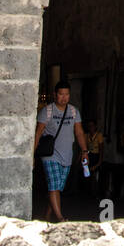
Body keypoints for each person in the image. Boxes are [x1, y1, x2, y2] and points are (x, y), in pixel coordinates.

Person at [33, 82, 88, 223]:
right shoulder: (47, 111)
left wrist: (84, 151)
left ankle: (47, 216)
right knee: (54, 186)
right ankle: (60, 218)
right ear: (55, 95)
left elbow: (79, 132)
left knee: (57, 188)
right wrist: (32, 155)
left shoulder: (74, 112)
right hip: (50, 155)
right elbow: (38, 133)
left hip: (67, 156)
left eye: (66, 94)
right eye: (61, 94)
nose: (64, 97)